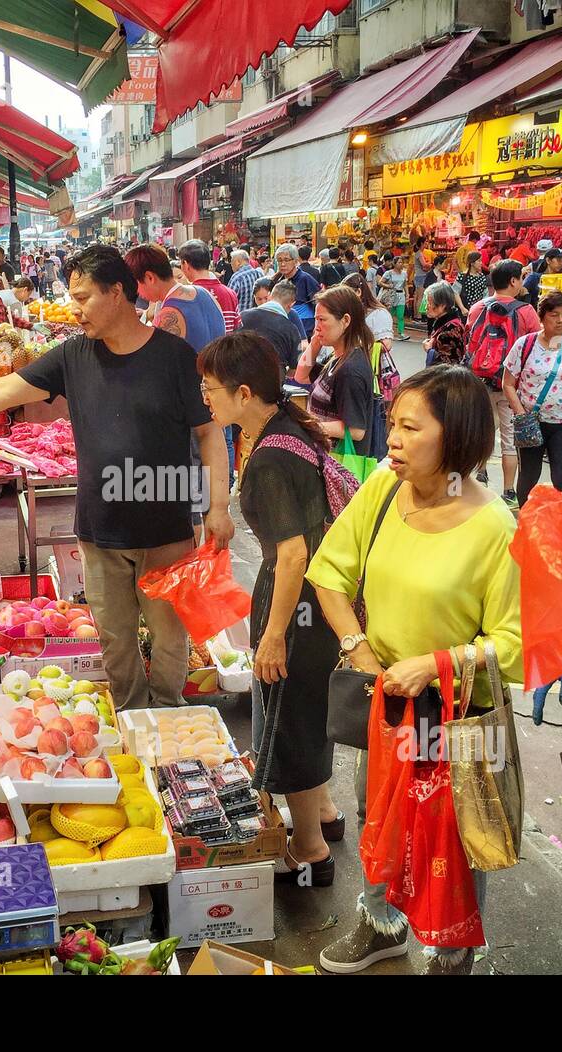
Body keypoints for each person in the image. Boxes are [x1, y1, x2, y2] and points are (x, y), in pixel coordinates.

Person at [0, 245, 234, 710]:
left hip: (167, 532)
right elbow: (4, 390)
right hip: (100, 531)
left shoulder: (173, 357)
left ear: (117, 294)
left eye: (84, 297)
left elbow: (209, 435)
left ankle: (166, 718)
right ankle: (131, 719)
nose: (75, 308)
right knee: (116, 642)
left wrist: (218, 507)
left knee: (170, 639)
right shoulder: (74, 356)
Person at [308, 364, 522, 974]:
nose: (392, 439)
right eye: (391, 424)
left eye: (409, 427)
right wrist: (358, 649)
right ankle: (380, 924)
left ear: (454, 438)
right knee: (382, 819)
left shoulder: (496, 528)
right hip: (386, 704)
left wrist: (436, 664)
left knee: (457, 837)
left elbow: (514, 645)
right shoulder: (381, 486)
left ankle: (454, 953)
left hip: (461, 719)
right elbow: (329, 573)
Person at [199, 332, 344, 884]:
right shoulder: (288, 429)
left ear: (242, 392)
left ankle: (309, 851)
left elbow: (292, 554)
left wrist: (275, 633)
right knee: (308, 710)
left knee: (288, 719)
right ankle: (325, 815)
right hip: (322, 602)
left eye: (210, 388)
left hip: (297, 603)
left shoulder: (268, 460)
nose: (204, 397)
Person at [502, 290, 562, 506]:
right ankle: (525, 522)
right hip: (531, 423)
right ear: (542, 316)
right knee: (528, 478)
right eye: (554, 314)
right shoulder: (525, 345)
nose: (561, 320)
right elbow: (507, 383)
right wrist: (521, 413)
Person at [465, 258, 542, 505]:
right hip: (512, 386)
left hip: (479, 379)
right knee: (509, 439)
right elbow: (534, 347)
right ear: (513, 281)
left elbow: (470, 343)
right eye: (520, 278)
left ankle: (480, 474)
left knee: (483, 429)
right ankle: (508, 492)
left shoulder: (478, 308)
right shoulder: (526, 311)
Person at [295, 286, 382, 459]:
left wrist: (309, 425)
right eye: (316, 320)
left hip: (339, 467)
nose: (317, 327)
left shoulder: (350, 370)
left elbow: (356, 431)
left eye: (322, 320)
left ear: (345, 320)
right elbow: (301, 375)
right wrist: (314, 344)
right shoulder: (337, 359)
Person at [239, 282, 304, 379]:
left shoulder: (242, 316)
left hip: (239, 377)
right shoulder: (291, 329)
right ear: (291, 305)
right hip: (272, 383)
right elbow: (295, 369)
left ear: (270, 296)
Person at [180, 239, 241, 332]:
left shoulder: (184, 297)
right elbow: (237, 330)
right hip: (226, 346)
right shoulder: (230, 294)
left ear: (185, 264)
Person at [271, 243, 320, 338]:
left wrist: (317, 326)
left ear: (296, 261)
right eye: (279, 260)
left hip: (305, 329)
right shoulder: (277, 281)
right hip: (284, 329)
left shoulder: (306, 279)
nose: (283, 264)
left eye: (286, 260)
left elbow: (318, 303)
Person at [342, 271, 394, 349]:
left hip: (370, 360)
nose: (344, 298)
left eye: (346, 294)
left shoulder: (379, 314)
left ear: (358, 292)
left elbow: (386, 345)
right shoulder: (349, 312)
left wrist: (358, 346)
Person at [422, 280, 468, 367]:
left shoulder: (451, 329)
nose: (426, 306)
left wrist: (429, 350)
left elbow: (447, 365)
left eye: (430, 303)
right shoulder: (445, 323)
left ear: (442, 305)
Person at [377, 256, 409, 340]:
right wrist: (388, 286)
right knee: (390, 314)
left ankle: (401, 333)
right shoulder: (389, 273)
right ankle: (387, 331)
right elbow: (380, 283)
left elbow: (405, 284)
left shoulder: (404, 273)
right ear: (394, 264)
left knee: (400, 315)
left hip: (400, 295)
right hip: (391, 296)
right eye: (399, 262)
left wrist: (407, 294)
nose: (401, 264)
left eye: (402, 262)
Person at [411, 237, 432, 322]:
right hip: (421, 276)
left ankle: (417, 315)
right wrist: (431, 265)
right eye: (426, 242)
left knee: (418, 296)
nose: (427, 244)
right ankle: (418, 317)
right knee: (420, 297)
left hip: (419, 276)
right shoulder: (419, 253)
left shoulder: (419, 253)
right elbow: (424, 265)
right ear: (422, 243)